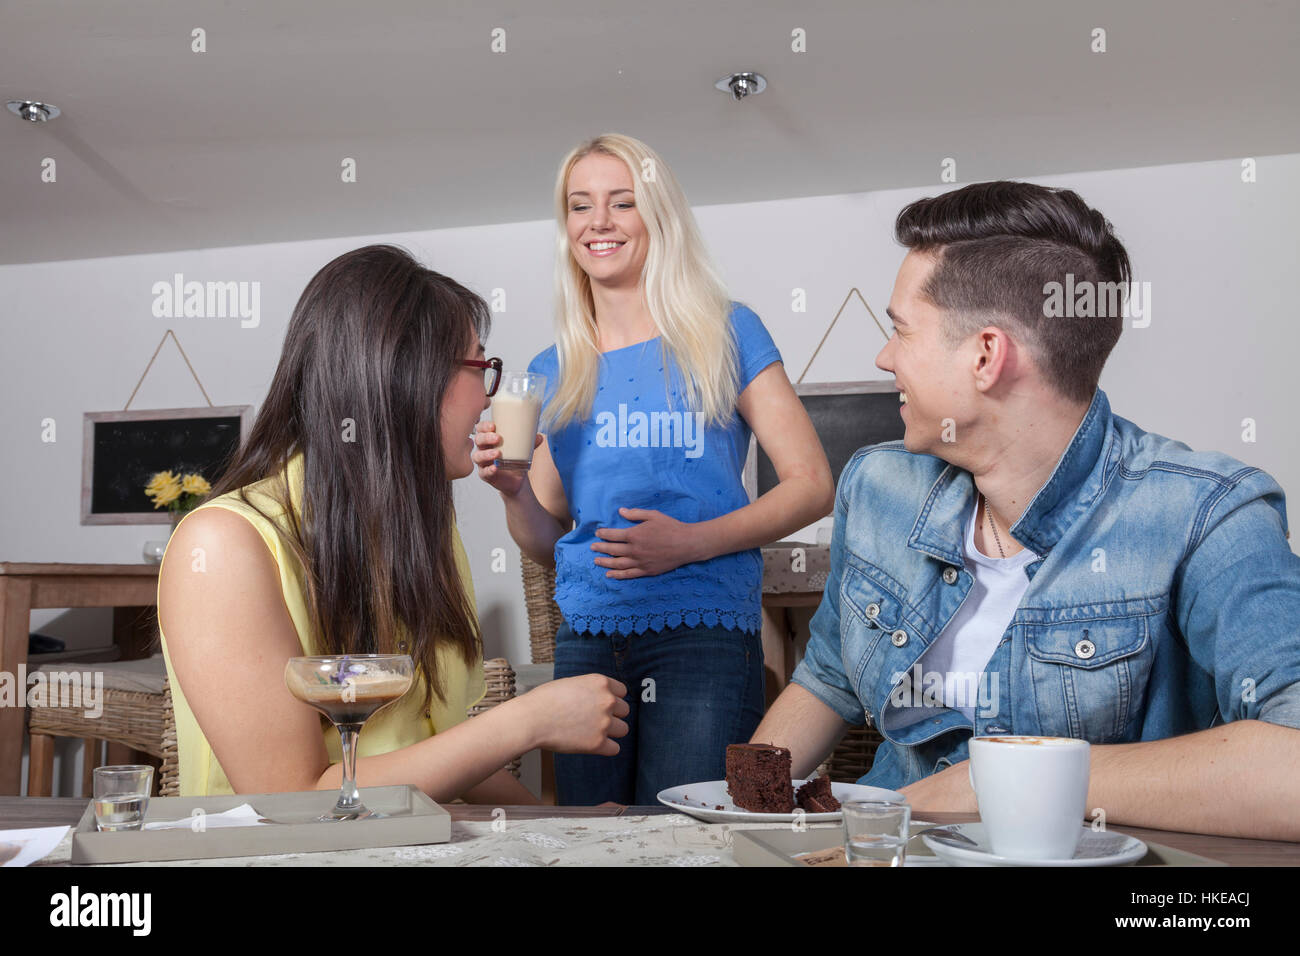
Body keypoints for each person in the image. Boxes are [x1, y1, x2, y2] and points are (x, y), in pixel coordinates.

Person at [752, 180, 1300, 840]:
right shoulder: (877, 486)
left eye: (899, 330)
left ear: (986, 355)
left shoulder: (1207, 514)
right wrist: (741, 808)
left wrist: (991, 781)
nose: (884, 356)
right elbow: (829, 679)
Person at [157, 244, 629, 801]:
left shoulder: (422, 535)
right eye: (480, 366)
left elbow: (438, 756)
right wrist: (525, 723)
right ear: (405, 375)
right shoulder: (223, 547)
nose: (487, 397)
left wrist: (568, 833)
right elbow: (290, 797)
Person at [474, 133, 834, 805]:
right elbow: (550, 542)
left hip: (702, 634)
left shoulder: (726, 331)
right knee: (591, 833)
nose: (598, 222)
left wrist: (691, 543)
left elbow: (813, 484)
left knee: (683, 833)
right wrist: (512, 493)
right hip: (586, 641)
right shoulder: (555, 369)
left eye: (622, 203)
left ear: (657, 216)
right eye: (580, 206)